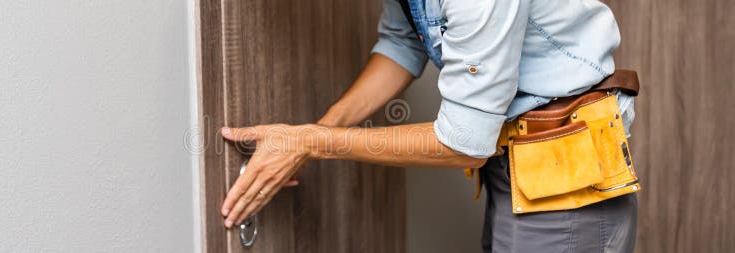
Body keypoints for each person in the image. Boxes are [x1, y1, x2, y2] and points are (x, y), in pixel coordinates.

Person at [220, 0, 638, 252]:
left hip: (566, 176)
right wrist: (317, 130)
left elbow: (464, 141)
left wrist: (313, 142)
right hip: (516, 168)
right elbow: (403, 42)